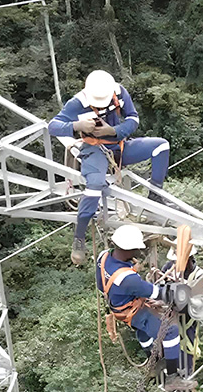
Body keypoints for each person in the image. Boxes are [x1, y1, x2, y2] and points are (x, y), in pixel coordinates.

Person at [48, 71, 171, 265]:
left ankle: (155, 194)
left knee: (161, 146)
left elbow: (133, 118)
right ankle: (79, 239)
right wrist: (77, 125)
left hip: (119, 145)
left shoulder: (119, 92)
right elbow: (53, 126)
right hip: (95, 149)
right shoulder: (78, 102)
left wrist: (114, 131)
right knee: (94, 186)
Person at [95, 224, 192, 392]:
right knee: (170, 331)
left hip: (118, 306)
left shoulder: (103, 257)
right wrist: (177, 294)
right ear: (129, 249)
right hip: (133, 310)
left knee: (144, 331)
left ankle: (152, 361)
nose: (136, 253)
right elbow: (156, 292)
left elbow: (101, 282)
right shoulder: (128, 279)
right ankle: (172, 377)